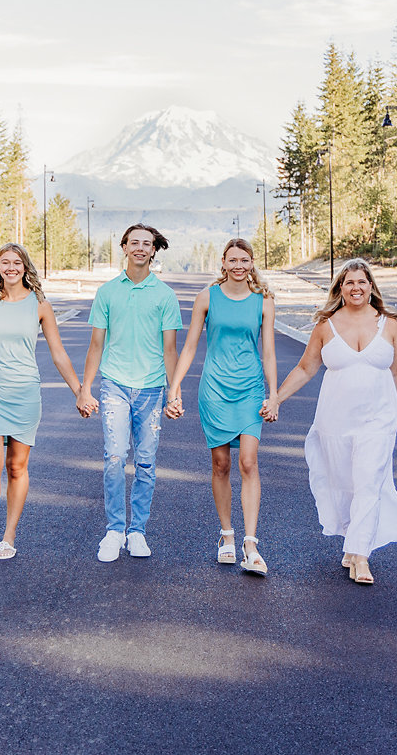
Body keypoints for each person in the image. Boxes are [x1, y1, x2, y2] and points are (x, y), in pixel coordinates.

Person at [270, 258, 397, 585]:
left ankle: (361, 555)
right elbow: (306, 368)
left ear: (371, 286)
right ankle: (352, 542)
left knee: (368, 480)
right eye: (349, 283)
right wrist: (277, 398)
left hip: (379, 418)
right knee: (345, 483)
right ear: (340, 288)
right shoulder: (326, 325)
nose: (356, 288)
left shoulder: (388, 323)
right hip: (335, 420)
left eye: (362, 282)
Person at [0, 243, 83, 562]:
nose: (11, 267)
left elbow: (59, 353)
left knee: (16, 466)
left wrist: (80, 390)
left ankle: (8, 536)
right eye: (5, 262)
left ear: (25, 267)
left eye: (16, 262)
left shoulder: (40, 305)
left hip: (24, 393)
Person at [166, 239, 278, 576]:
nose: (239, 266)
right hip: (214, 390)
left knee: (248, 461)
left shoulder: (264, 300)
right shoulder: (207, 297)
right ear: (224, 263)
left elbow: (269, 351)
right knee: (220, 464)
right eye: (233, 260)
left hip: (249, 390)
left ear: (252, 262)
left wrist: (273, 394)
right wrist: (174, 389)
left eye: (245, 260)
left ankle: (251, 544)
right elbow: (188, 349)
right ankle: (226, 536)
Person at [76, 223, 182, 562]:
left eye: (146, 243)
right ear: (124, 247)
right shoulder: (108, 292)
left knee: (146, 463)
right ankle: (114, 530)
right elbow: (96, 344)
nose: (139, 248)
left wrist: (174, 391)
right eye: (133, 242)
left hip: (151, 388)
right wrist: (84, 389)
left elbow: (170, 350)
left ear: (154, 250)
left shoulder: (164, 295)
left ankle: (137, 532)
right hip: (114, 385)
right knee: (116, 456)